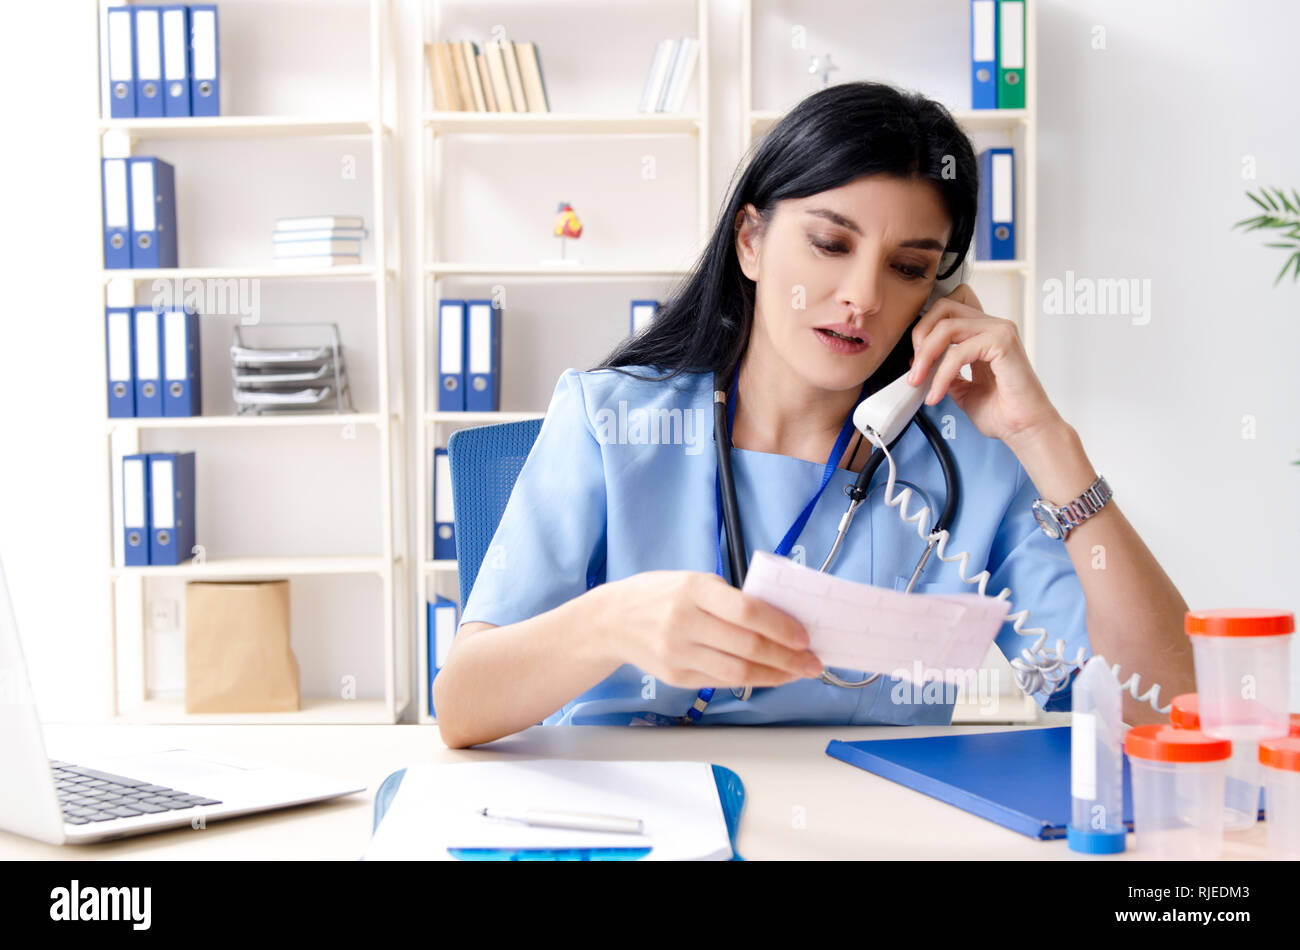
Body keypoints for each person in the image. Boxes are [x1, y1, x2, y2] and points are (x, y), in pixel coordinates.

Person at [433, 82, 1194, 748]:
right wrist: (609, 623)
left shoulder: (971, 465)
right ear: (752, 241)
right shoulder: (612, 420)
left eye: (908, 268)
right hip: (644, 824)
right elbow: (462, 706)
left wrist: (1044, 439)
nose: (863, 296)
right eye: (831, 243)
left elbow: (1158, 710)